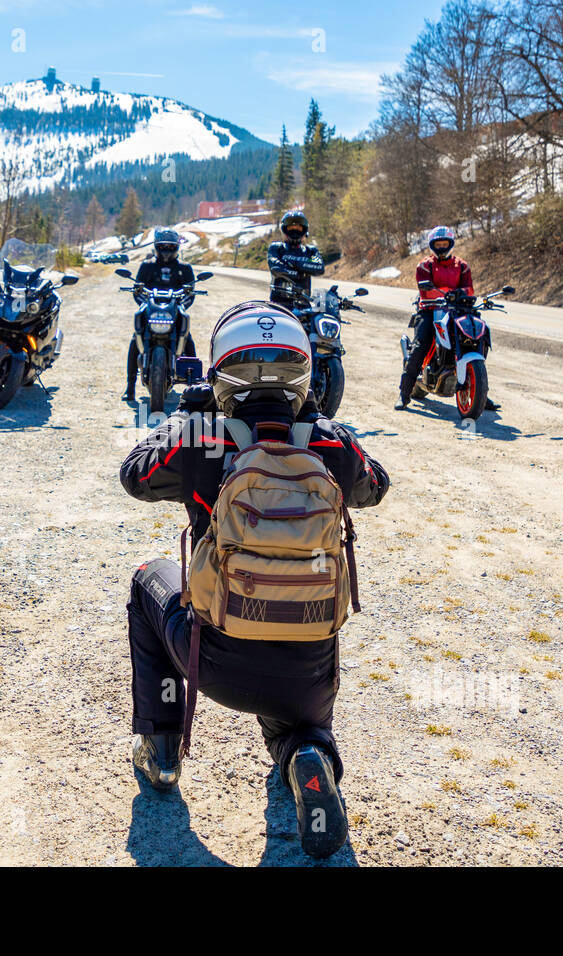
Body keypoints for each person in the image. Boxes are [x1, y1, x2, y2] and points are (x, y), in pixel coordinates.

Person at [119, 301, 389, 858]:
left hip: (214, 659)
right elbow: (377, 485)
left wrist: (182, 417)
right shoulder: (331, 443)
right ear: (303, 374)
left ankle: (162, 748)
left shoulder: (199, 438)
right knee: (297, 720)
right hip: (308, 669)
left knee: (148, 578)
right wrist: (319, 424)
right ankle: (305, 753)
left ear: (220, 370)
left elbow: (134, 475)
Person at [396, 225, 499, 411]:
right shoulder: (424, 265)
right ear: (432, 246)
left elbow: (469, 289)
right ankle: (404, 394)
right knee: (420, 346)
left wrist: (459, 294)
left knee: (477, 337)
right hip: (430, 310)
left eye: (445, 244)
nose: (442, 247)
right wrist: (450, 293)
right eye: (438, 244)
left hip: (457, 310)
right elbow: (424, 290)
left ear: (451, 244)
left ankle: (480, 392)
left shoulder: (462, 265)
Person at [124, 227, 197, 402]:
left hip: (174, 310)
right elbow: (137, 289)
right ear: (156, 246)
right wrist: (144, 303)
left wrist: (182, 306)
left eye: (170, 246)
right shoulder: (147, 266)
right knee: (136, 340)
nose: (166, 250)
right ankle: (130, 386)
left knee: (187, 339)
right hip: (151, 310)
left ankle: (195, 385)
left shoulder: (184, 268)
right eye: (163, 246)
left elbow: (191, 292)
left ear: (176, 247)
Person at [267, 209, 324, 312]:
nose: (295, 230)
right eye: (291, 227)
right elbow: (276, 268)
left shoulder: (311, 251)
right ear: (284, 229)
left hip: (304, 305)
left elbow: (319, 267)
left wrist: (293, 263)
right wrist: (302, 271)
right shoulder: (276, 248)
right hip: (279, 305)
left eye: (298, 227)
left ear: (304, 230)